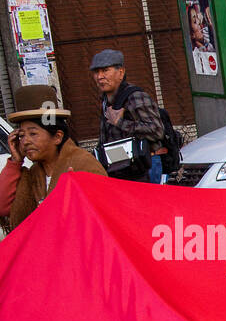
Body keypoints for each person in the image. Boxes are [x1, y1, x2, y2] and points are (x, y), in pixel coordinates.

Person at [0, 85, 106, 229]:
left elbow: (101, 216)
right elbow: (3, 206)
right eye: (22, 135)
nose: (25, 141)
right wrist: (15, 161)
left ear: (57, 137)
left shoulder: (83, 164)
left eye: (33, 134)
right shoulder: (34, 174)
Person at [90, 49, 165, 184]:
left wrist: (120, 122)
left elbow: (157, 130)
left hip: (145, 169)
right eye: (96, 72)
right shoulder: (105, 101)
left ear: (121, 72)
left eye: (105, 70)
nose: (100, 76)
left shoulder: (135, 97)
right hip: (121, 170)